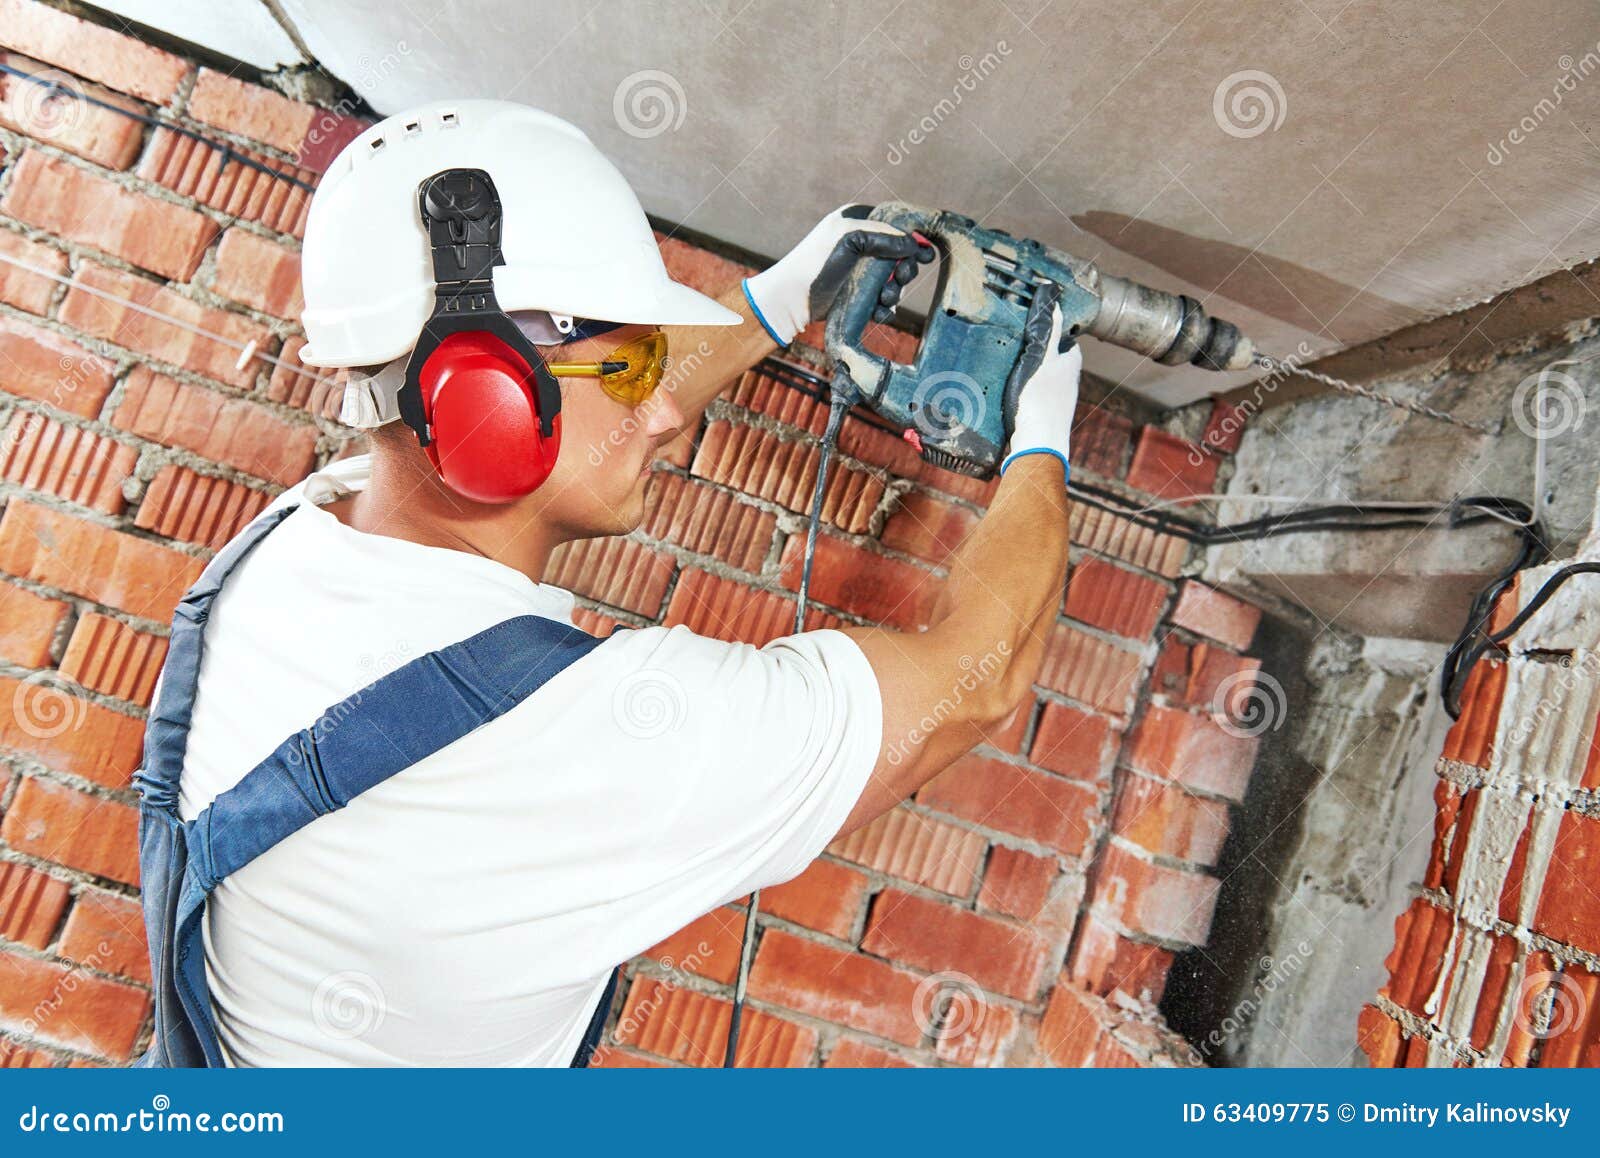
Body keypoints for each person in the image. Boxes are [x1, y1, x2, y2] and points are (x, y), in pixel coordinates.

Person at [143, 99, 1079, 1066]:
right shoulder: (586, 743)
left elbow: (580, 421)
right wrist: (1045, 430)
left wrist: (775, 303)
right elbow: (982, 674)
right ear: (485, 401)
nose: (669, 412)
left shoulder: (289, 544)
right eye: (633, 369)